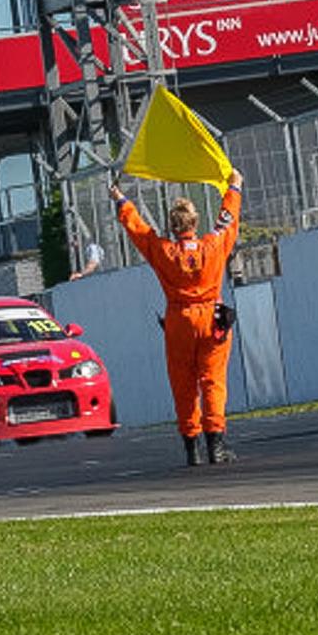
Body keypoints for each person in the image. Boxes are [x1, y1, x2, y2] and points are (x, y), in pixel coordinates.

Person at [111, 171, 244, 466]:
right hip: (211, 318)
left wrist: (121, 200)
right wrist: (234, 185)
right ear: (194, 224)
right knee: (213, 381)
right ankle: (216, 446)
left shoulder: (164, 251)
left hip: (179, 320)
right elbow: (227, 219)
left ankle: (191, 448)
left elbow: (140, 231)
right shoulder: (213, 245)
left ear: (172, 227)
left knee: (182, 383)